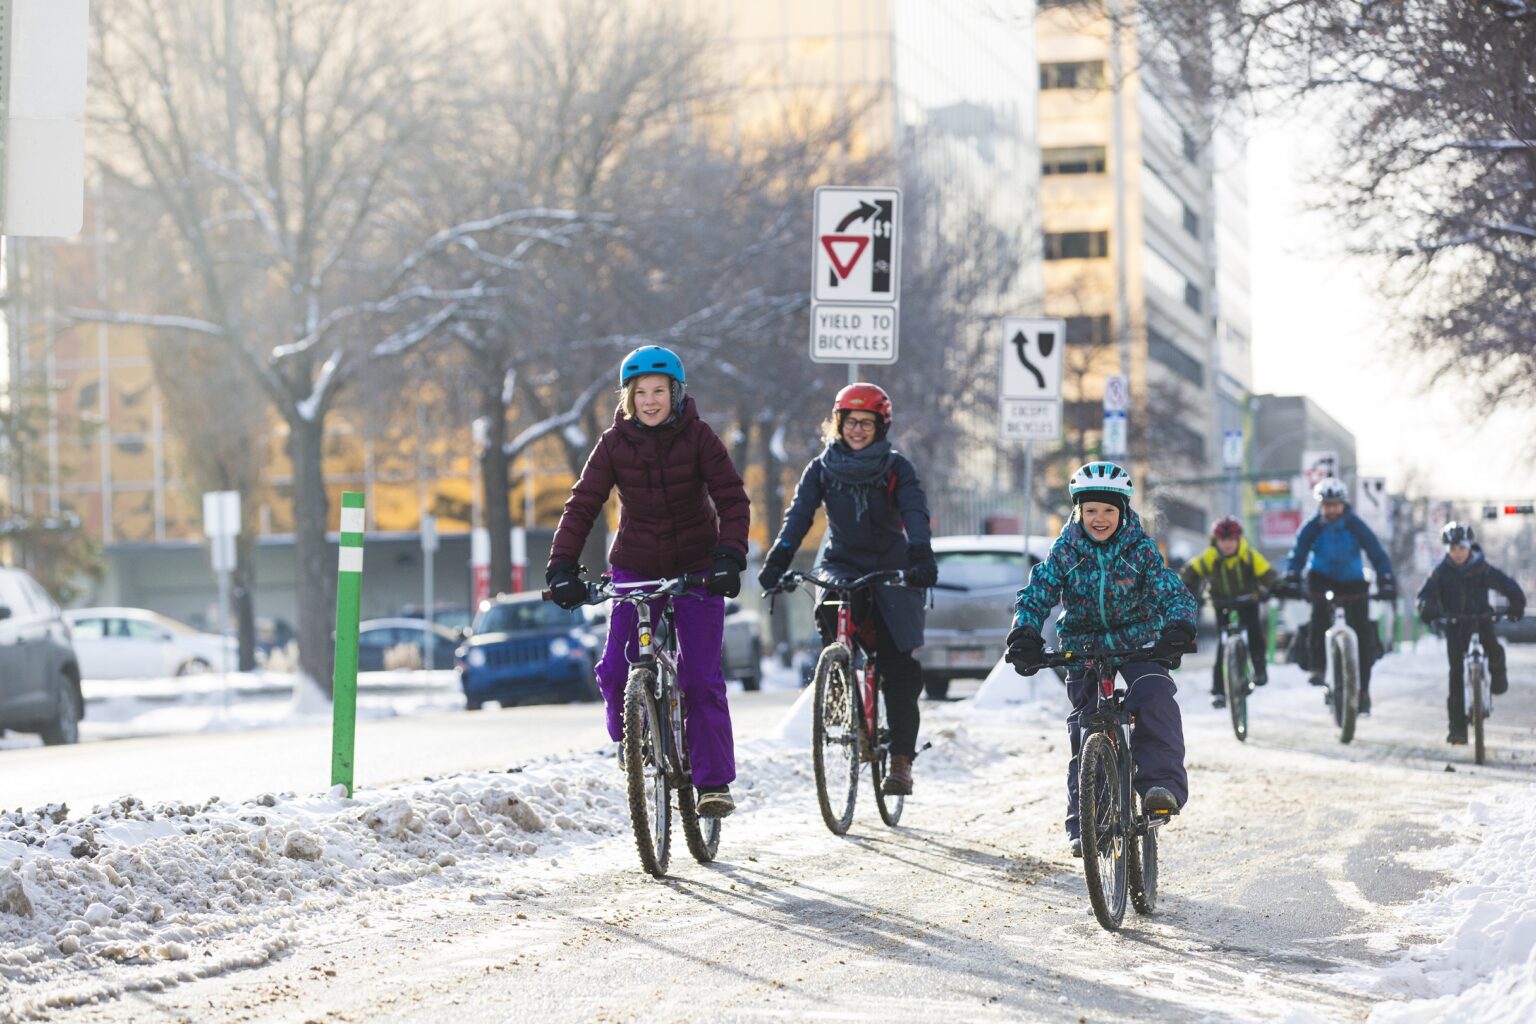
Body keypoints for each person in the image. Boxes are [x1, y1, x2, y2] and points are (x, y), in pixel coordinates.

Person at [545, 345, 750, 817]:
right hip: (636, 564)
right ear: (628, 398)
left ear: (676, 394)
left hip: (698, 568)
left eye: (660, 391)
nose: (651, 401)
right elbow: (583, 504)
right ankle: (634, 744)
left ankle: (712, 784)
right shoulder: (613, 444)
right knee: (617, 670)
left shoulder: (699, 438)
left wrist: (728, 557)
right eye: (641, 393)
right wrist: (561, 567)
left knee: (700, 677)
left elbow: (732, 500)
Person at [1003, 461, 1197, 857]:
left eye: (1109, 510)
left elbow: (1171, 590)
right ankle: (1086, 822)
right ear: (1078, 511)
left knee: (1155, 696)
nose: (1100, 518)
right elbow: (1037, 592)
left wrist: (1177, 626)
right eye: (1091, 510)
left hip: (1139, 641)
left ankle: (1161, 786)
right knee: (1085, 725)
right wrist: (1025, 631)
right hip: (1084, 646)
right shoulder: (1066, 549)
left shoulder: (1137, 549)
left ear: (1123, 511)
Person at [757, 383, 936, 796]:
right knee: (830, 612)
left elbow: (915, 513)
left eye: (866, 423)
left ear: (881, 426)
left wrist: (921, 556)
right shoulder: (821, 468)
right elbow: (799, 517)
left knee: (898, 668)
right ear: (838, 424)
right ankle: (839, 686)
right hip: (840, 562)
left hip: (891, 567)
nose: (857, 429)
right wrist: (776, 563)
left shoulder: (896, 468)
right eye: (850, 422)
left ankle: (900, 762)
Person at [1280, 477, 1396, 714]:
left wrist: (1385, 578)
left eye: (1336, 505)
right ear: (1320, 505)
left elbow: (1376, 552)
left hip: (1353, 581)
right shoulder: (1312, 527)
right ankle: (1319, 667)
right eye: (1327, 505)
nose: (1331, 509)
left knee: (1362, 634)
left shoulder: (1355, 525)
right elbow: (1298, 554)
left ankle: (1363, 691)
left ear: (1343, 504)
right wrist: (1292, 576)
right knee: (1319, 619)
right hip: (1321, 579)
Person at [1416, 521, 1525, 745]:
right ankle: (1457, 729)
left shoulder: (1482, 568)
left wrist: (1516, 602)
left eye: (1462, 548)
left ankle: (1498, 677)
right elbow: (1425, 595)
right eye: (1453, 549)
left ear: (1469, 547)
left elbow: (1507, 584)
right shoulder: (1440, 572)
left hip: (1481, 620)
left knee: (1494, 649)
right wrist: (1429, 609)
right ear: (1447, 550)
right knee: (1456, 675)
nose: (1457, 553)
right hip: (1455, 625)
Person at [1180, 516, 1278, 708]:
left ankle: (1260, 670)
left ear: (1239, 539)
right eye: (1223, 540)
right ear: (1215, 541)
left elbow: (1267, 574)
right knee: (1223, 645)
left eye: (1231, 539)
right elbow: (1190, 573)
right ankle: (1218, 691)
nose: (1227, 544)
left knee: (1255, 632)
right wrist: (1188, 589)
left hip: (1248, 601)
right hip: (1221, 603)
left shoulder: (1249, 555)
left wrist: (1276, 586)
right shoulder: (1210, 556)